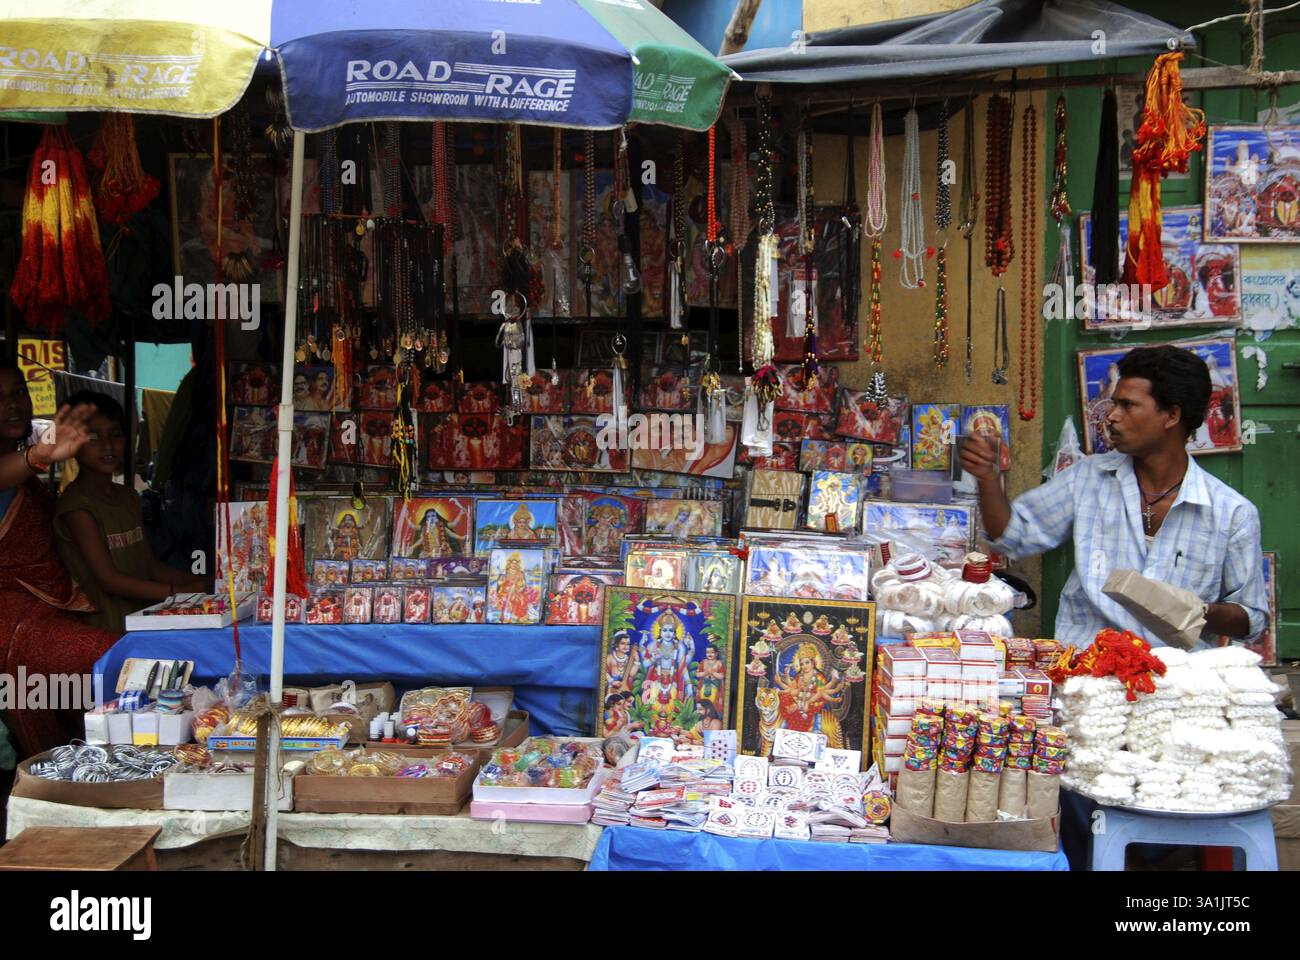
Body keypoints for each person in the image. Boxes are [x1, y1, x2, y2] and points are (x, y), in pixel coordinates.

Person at [960, 344, 1267, 648]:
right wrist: (989, 479)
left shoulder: (1232, 513)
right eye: (1113, 403)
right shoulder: (1088, 478)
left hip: (1177, 681)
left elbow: (1250, 619)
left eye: (1128, 406)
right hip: (1088, 669)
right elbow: (1012, 536)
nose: (1111, 417)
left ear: (1171, 415)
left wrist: (1193, 611)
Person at [0, 365, 120, 756]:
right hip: (11, 620)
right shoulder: (21, 463)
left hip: (48, 606)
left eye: (18, 392)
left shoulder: (21, 462)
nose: (13, 405)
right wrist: (37, 456)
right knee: (117, 658)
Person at [55, 390, 210, 635]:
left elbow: (149, 565)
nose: (107, 445)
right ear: (71, 445)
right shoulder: (77, 508)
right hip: (106, 627)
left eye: (115, 434)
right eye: (93, 436)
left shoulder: (128, 497)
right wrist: (176, 592)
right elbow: (109, 580)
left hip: (142, 619)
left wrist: (199, 582)